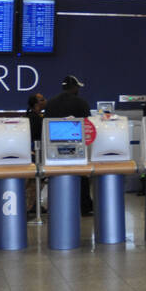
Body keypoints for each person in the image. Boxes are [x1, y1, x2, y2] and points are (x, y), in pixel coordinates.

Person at [44, 75, 93, 215]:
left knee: (57, 174)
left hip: (54, 144)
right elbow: (87, 125)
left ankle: (58, 206)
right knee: (81, 176)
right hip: (76, 144)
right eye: (78, 87)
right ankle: (84, 206)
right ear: (75, 87)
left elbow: (46, 125)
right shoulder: (81, 103)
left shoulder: (51, 103)